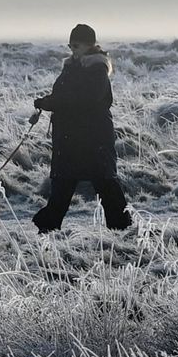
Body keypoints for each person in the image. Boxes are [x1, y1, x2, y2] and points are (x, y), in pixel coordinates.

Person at [31, 23, 133, 233]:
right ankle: (46, 232)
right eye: (70, 46)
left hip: (93, 138)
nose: (72, 50)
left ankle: (124, 232)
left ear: (90, 45)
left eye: (76, 45)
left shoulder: (98, 69)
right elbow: (64, 96)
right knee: (61, 186)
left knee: (106, 185)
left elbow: (87, 99)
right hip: (69, 138)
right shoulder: (71, 67)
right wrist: (46, 101)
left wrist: (54, 103)